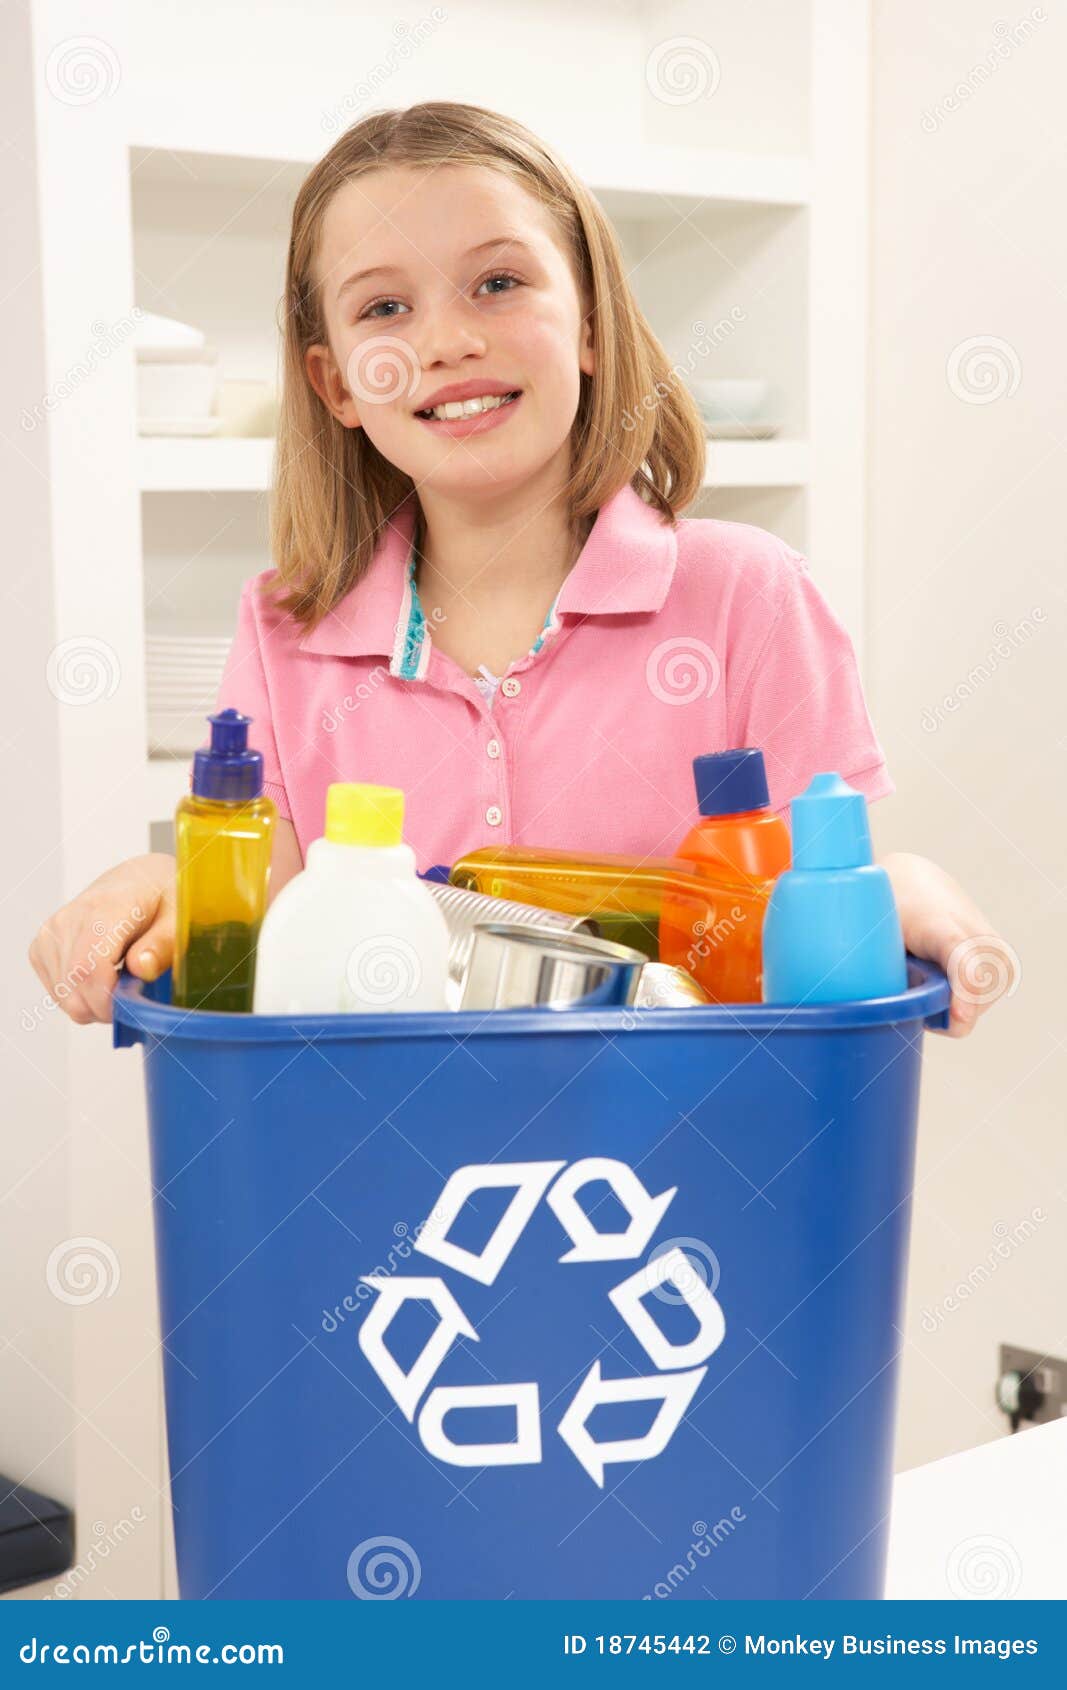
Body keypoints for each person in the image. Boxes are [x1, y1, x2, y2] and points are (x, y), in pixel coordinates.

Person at [30, 101, 1012, 1033]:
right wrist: (159, 886)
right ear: (334, 382)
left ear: (588, 324)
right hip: (379, 1162)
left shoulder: (744, 598)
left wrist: (904, 887)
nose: (449, 341)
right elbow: (260, 922)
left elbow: (824, 915)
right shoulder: (288, 627)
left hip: (682, 1171)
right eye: (383, 306)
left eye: (498, 282)